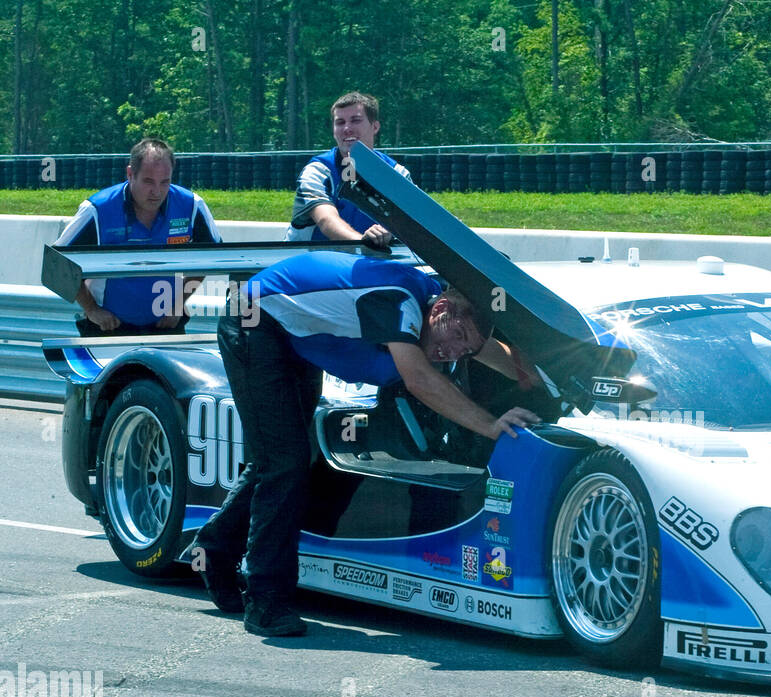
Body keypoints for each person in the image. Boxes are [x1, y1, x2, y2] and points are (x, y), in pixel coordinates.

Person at [192, 251, 541, 637]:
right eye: (456, 338)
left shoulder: (445, 313)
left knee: (280, 459)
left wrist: (544, 377)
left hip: (290, 332)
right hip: (254, 321)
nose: (454, 353)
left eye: (464, 351)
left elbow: (492, 351)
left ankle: (212, 551)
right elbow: (419, 380)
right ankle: (266, 600)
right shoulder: (397, 299)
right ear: (441, 308)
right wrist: (492, 425)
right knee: (284, 463)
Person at [54, 138, 221, 336]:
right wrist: (91, 309)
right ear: (130, 174)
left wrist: (178, 303)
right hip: (109, 328)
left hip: (164, 326)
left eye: (165, 182)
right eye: (148, 181)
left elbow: (212, 257)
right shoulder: (98, 210)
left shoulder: (191, 206)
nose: (157, 192)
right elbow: (56, 265)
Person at [286, 91, 412, 248]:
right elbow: (326, 220)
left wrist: (386, 234)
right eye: (340, 122)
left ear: (375, 127)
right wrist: (363, 243)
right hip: (311, 263)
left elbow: (412, 225)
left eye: (355, 120)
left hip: (373, 262)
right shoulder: (317, 171)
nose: (347, 128)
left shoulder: (398, 174)